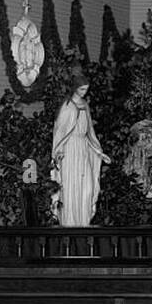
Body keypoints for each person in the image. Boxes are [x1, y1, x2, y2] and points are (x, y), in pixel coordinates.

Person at [50, 77, 110, 226]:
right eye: (82, 89)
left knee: (87, 187)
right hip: (70, 149)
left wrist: (98, 151)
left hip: (83, 148)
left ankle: (83, 220)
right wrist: (58, 150)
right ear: (75, 88)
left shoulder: (85, 105)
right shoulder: (68, 106)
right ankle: (70, 222)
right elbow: (60, 131)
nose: (84, 92)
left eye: (86, 89)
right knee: (70, 185)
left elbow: (90, 130)